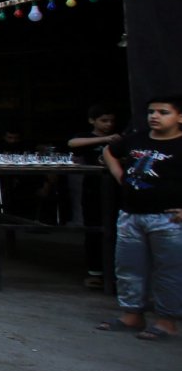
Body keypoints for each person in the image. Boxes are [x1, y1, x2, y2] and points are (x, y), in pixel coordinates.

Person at [98, 94, 182, 341]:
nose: (155, 116)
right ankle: (132, 315)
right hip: (131, 215)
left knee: (168, 271)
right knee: (129, 267)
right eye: (151, 112)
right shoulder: (137, 139)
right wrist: (120, 176)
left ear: (180, 117)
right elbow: (109, 151)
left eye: (163, 112)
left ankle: (166, 321)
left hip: (167, 219)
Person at [67, 104, 120, 290]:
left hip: (116, 189)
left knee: (116, 230)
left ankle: (114, 273)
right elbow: (72, 144)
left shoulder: (120, 138)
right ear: (92, 121)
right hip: (93, 188)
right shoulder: (88, 137)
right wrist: (105, 139)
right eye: (104, 121)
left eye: (111, 121)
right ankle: (95, 272)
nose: (108, 124)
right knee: (93, 229)